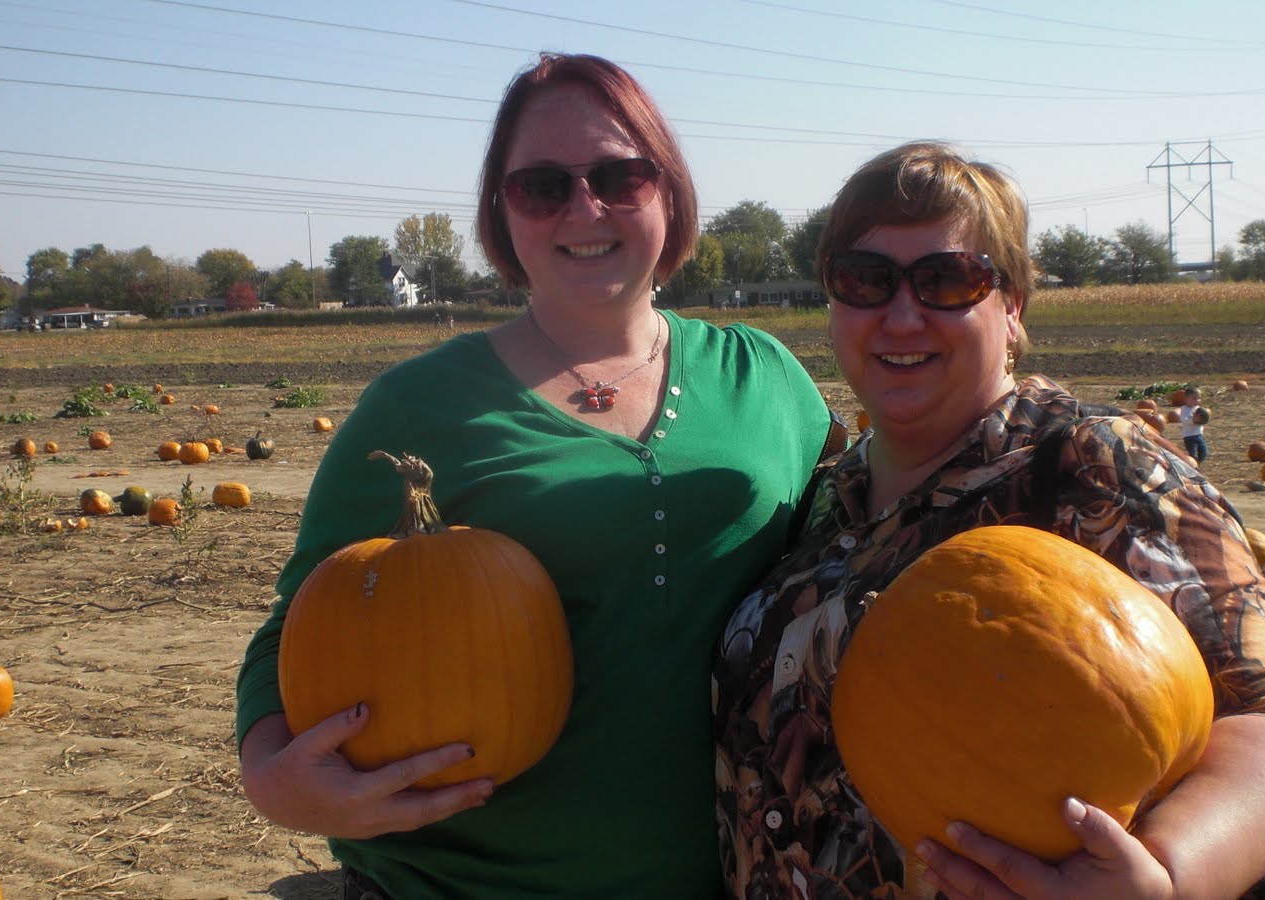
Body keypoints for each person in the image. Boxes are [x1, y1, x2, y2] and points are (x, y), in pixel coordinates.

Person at [235, 53, 838, 899]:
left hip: (738, 878)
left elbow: (855, 558)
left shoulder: (764, 377)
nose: (584, 208)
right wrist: (275, 777)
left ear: (669, 191)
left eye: (621, 176)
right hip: (457, 883)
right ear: (501, 213)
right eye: (542, 185)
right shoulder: (418, 409)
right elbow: (297, 623)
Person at [712, 142, 1265, 900]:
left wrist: (1168, 876)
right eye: (865, 279)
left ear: (1012, 308)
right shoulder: (820, 503)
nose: (902, 314)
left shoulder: (1093, 466)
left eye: (947, 280)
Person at [1179, 385, 1210, 465]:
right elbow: (1184, 420)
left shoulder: (1198, 409)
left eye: (1198, 398)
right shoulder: (1184, 409)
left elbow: (1203, 420)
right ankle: (1193, 465)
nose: (1196, 400)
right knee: (1193, 454)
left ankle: (1196, 464)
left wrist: (1204, 419)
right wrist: (1193, 420)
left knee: (1204, 452)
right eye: (1194, 398)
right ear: (1186, 399)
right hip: (1189, 437)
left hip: (1199, 435)